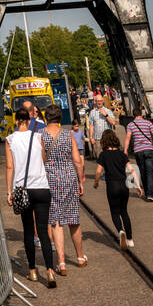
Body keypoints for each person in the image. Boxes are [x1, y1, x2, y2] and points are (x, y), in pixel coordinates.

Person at [5, 107, 56, 288]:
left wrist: (9, 191)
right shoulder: (37, 137)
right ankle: (50, 271)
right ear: (29, 120)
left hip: (23, 189)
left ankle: (33, 272)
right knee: (43, 231)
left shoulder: (10, 139)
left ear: (16, 120)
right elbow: (42, 160)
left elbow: (10, 167)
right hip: (42, 188)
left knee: (28, 231)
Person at [40, 105, 87, 272]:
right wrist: (80, 181)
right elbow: (77, 160)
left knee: (56, 221)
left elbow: (42, 161)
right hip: (69, 179)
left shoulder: (42, 136)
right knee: (73, 219)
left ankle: (61, 262)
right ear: (60, 118)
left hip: (50, 180)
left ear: (46, 117)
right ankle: (80, 257)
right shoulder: (68, 135)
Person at [95, 128, 139, 250]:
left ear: (104, 141)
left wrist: (96, 182)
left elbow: (98, 171)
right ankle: (130, 240)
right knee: (124, 212)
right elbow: (131, 170)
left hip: (112, 186)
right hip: (124, 186)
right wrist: (138, 186)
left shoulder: (103, 155)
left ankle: (120, 231)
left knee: (115, 212)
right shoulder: (122, 154)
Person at [124, 109, 153, 201]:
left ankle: (146, 192)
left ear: (133, 115)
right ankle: (149, 194)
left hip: (138, 151)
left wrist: (125, 150)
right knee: (150, 172)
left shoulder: (130, 125)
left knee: (143, 172)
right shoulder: (148, 123)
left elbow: (128, 137)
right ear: (141, 114)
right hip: (148, 149)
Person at [86, 94, 117, 158]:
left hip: (108, 139)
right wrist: (91, 137)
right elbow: (91, 126)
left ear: (103, 101)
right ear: (95, 101)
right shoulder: (92, 112)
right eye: (97, 101)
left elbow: (113, 122)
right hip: (98, 140)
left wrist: (106, 115)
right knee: (100, 159)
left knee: (109, 159)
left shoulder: (108, 111)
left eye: (100, 101)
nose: (99, 102)